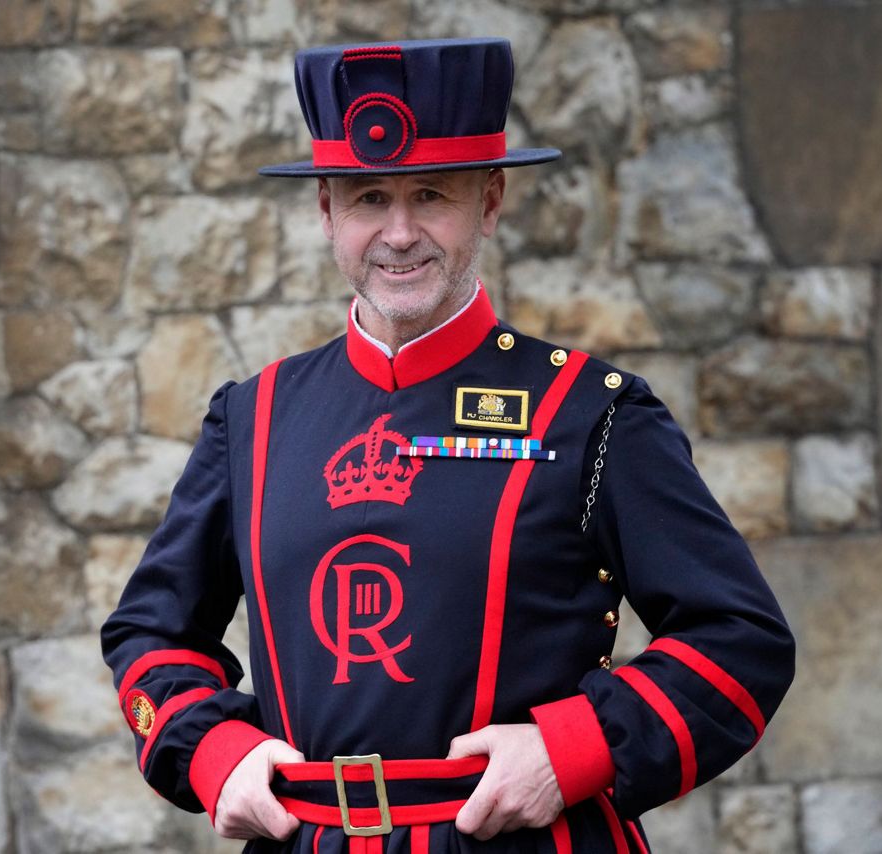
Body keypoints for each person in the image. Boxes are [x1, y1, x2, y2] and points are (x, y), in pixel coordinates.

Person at [102, 37, 794, 853]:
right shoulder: (251, 419)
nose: (399, 233)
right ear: (326, 211)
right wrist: (214, 753)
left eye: (431, 195)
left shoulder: (592, 414)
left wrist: (573, 749)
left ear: (489, 202)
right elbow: (151, 631)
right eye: (369, 199)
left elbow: (740, 638)